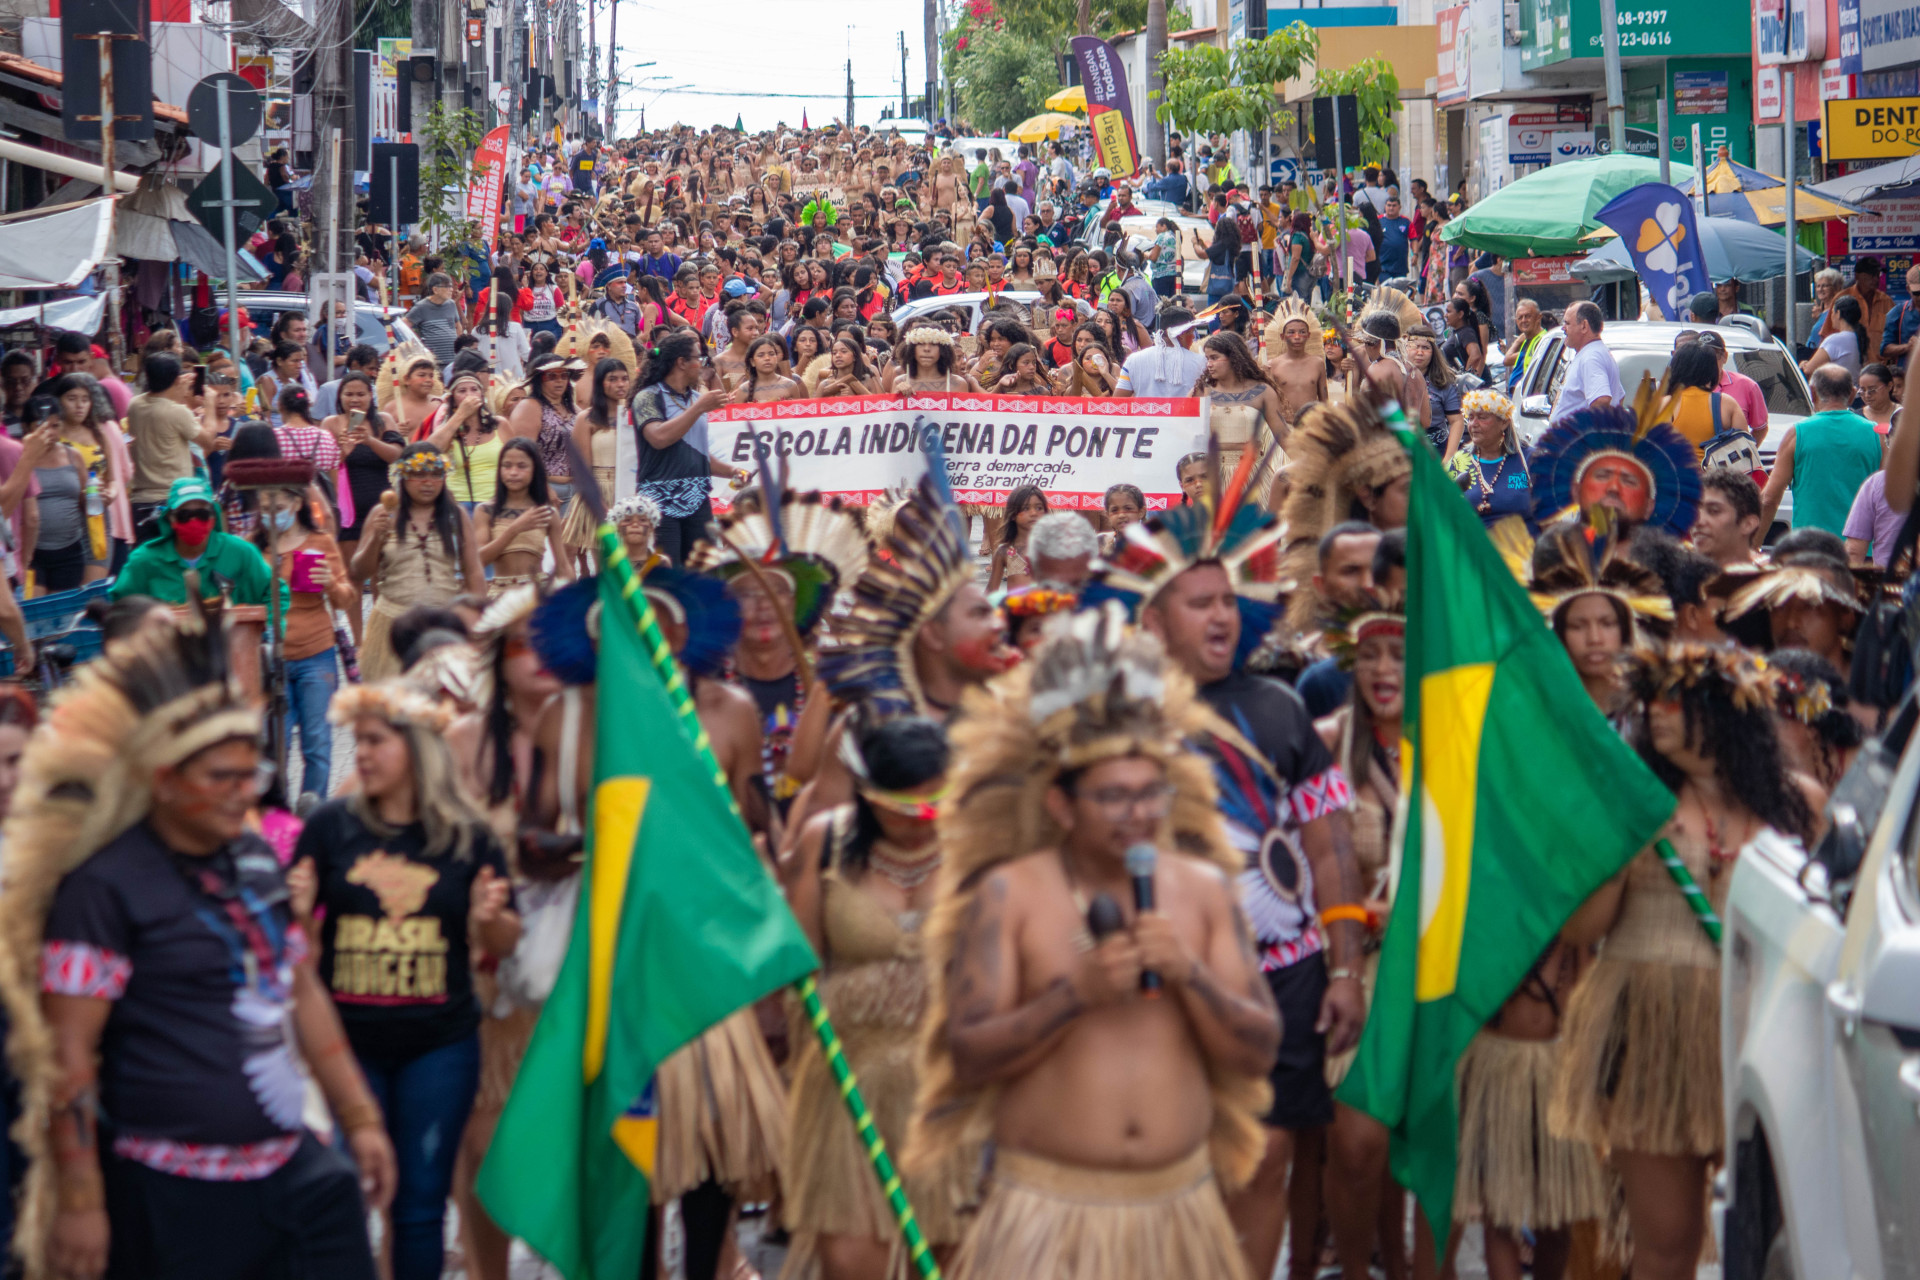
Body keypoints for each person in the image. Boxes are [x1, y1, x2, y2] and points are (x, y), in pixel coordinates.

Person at [0, 606, 395, 1280]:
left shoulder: (256, 859)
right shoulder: (102, 888)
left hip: (294, 1174)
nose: (242, 794)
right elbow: (66, 1057)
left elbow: (301, 988)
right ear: (164, 780)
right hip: (169, 1196)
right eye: (221, 778)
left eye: (251, 776)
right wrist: (81, 1200)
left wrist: (358, 1116)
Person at [910, 603, 1279, 1280]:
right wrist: (1073, 995)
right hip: (1045, 1219)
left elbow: (1259, 1050)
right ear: (1061, 804)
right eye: (1112, 797)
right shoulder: (1011, 895)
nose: (1137, 815)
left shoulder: (1203, 891)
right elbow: (968, 1055)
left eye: (1150, 794)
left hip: (1179, 1218)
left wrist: (1189, 974)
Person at [1554, 644, 1814, 1280]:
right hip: (1652, 1032)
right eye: (1650, 701)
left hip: (1763, 1032)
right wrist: (1617, 851)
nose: (1656, 713)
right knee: (1668, 1243)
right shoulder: (1635, 804)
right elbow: (1581, 928)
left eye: (1675, 698)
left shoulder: (1796, 805)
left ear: (1726, 711)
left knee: (1778, 1238)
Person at [290, 681, 520, 1280]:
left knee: (419, 1207)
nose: (362, 753)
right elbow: (294, 953)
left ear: (418, 750)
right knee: (344, 1193)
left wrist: (489, 920)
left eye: (376, 741)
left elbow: (504, 944)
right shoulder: (330, 827)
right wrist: (300, 915)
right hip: (349, 1045)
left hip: (438, 1046)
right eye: (358, 740)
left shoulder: (468, 836)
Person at [783, 716, 972, 1280]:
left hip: (953, 1088)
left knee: (953, 1257)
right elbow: (797, 967)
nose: (920, 821)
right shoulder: (826, 842)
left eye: (934, 804)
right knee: (850, 1260)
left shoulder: (979, 848)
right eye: (902, 807)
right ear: (868, 793)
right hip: (850, 1084)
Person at [244, 458, 356, 799]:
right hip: (269, 657)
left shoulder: (319, 542)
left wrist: (330, 584)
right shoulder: (252, 548)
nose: (271, 515)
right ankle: (279, 813)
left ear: (296, 504)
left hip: (315, 653)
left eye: (278, 507)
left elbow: (346, 598)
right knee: (276, 745)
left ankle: (313, 810)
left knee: (317, 741)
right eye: (265, 509)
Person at [350, 445, 486, 681]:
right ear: (403, 476)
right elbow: (358, 572)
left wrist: (479, 623)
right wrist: (375, 539)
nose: (428, 482)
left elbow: (474, 572)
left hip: (445, 624)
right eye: (419, 474)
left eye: (435, 474)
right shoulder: (383, 514)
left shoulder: (456, 515)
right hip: (391, 624)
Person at [630, 332, 736, 564]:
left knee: (703, 570)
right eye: (698, 358)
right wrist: (698, 409)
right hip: (659, 500)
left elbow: (698, 453)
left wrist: (733, 471)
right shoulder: (647, 397)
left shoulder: (696, 398)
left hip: (697, 498)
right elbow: (658, 438)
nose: (703, 364)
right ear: (681, 362)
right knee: (670, 572)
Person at [110, 475, 285, 608]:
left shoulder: (241, 553)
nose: (194, 522)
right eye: (184, 515)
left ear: (213, 516)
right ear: (171, 518)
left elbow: (277, 593)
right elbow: (120, 607)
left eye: (202, 514)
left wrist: (264, 631)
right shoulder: (144, 560)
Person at [1760, 365, 1882, 535]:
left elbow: (1770, 499)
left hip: (1809, 545)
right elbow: (1890, 496)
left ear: (1813, 392)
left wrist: (1753, 545)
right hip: (1861, 546)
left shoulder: (1797, 434)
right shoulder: (1876, 434)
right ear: (1853, 394)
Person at [126, 355, 226, 532]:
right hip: (173, 501)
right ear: (176, 380)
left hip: (140, 502)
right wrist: (209, 404)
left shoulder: (134, 405)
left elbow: (161, 409)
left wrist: (175, 390)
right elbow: (208, 441)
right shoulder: (177, 412)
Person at [474, 438, 570, 596]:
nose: (513, 472)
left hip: (537, 594)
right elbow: (479, 560)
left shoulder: (546, 512)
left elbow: (563, 566)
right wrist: (515, 529)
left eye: (522, 466)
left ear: (535, 470)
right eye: (507, 466)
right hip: (501, 595)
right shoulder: (485, 511)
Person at [1446, 389, 1529, 526]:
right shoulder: (1458, 462)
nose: (1473, 424)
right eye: (1470, 418)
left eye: (1482, 417)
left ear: (1504, 422)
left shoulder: (1530, 460)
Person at [1666, 340, 1751, 459]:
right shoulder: (1726, 404)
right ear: (1712, 370)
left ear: (1676, 369)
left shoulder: (1664, 404)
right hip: (1717, 470)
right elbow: (1745, 451)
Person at [1549, 302, 1622, 424]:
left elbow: (1601, 399)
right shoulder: (1595, 353)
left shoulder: (1591, 357)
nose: (1563, 328)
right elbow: (1620, 397)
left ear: (1584, 326)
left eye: (1567, 323)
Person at [1260, 300, 1329, 429]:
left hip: (1311, 425)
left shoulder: (1318, 363)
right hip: (1284, 425)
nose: (1297, 337)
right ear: (1282, 336)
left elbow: (1324, 400)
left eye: (1302, 332)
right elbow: (1267, 401)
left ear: (1308, 335)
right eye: (1291, 332)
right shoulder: (1272, 365)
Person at [1691, 470, 1764, 567]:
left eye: (1714, 511)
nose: (1697, 521)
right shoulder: (1677, 573)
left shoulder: (1773, 574)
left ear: (1748, 524)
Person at [1803, 293, 1868, 377]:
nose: (1831, 317)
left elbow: (1808, 369)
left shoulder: (1835, 340)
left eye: (1832, 312)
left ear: (1838, 313)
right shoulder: (1859, 338)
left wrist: (1803, 364)